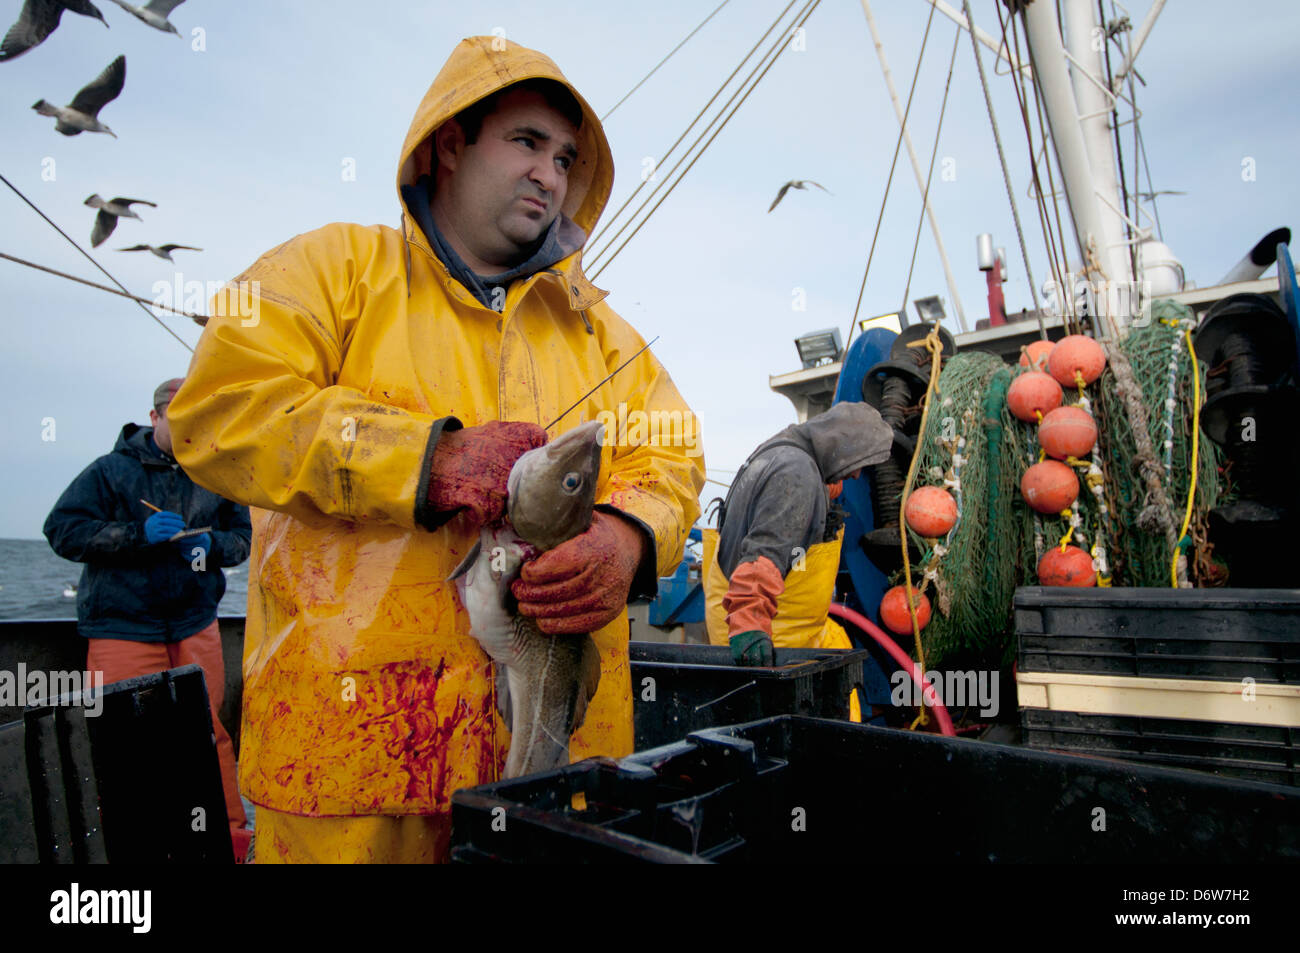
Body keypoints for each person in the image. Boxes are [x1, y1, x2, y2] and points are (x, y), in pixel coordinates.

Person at [166, 37, 704, 863]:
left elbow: (671, 456)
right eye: (526, 142)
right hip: (344, 781)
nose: (550, 175)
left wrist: (629, 536)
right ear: (449, 143)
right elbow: (220, 407)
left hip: (554, 790)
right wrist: (423, 460)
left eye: (565, 158)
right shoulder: (332, 268)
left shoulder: (604, 336)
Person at [43, 377, 252, 834]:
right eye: (178, 420)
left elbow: (241, 542)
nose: (188, 431)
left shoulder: (216, 472)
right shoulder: (108, 471)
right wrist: (138, 537)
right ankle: (126, 843)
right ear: (155, 418)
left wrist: (207, 544)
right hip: (122, 626)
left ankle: (229, 839)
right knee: (121, 738)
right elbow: (62, 531)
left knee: (207, 732)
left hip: (196, 624)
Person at [702, 402, 892, 681]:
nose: (855, 475)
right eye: (858, 464)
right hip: (773, 642)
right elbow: (764, 555)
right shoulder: (798, 476)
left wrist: (824, 484)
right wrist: (750, 624)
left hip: (737, 622)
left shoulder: (780, 451)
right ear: (841, 446)